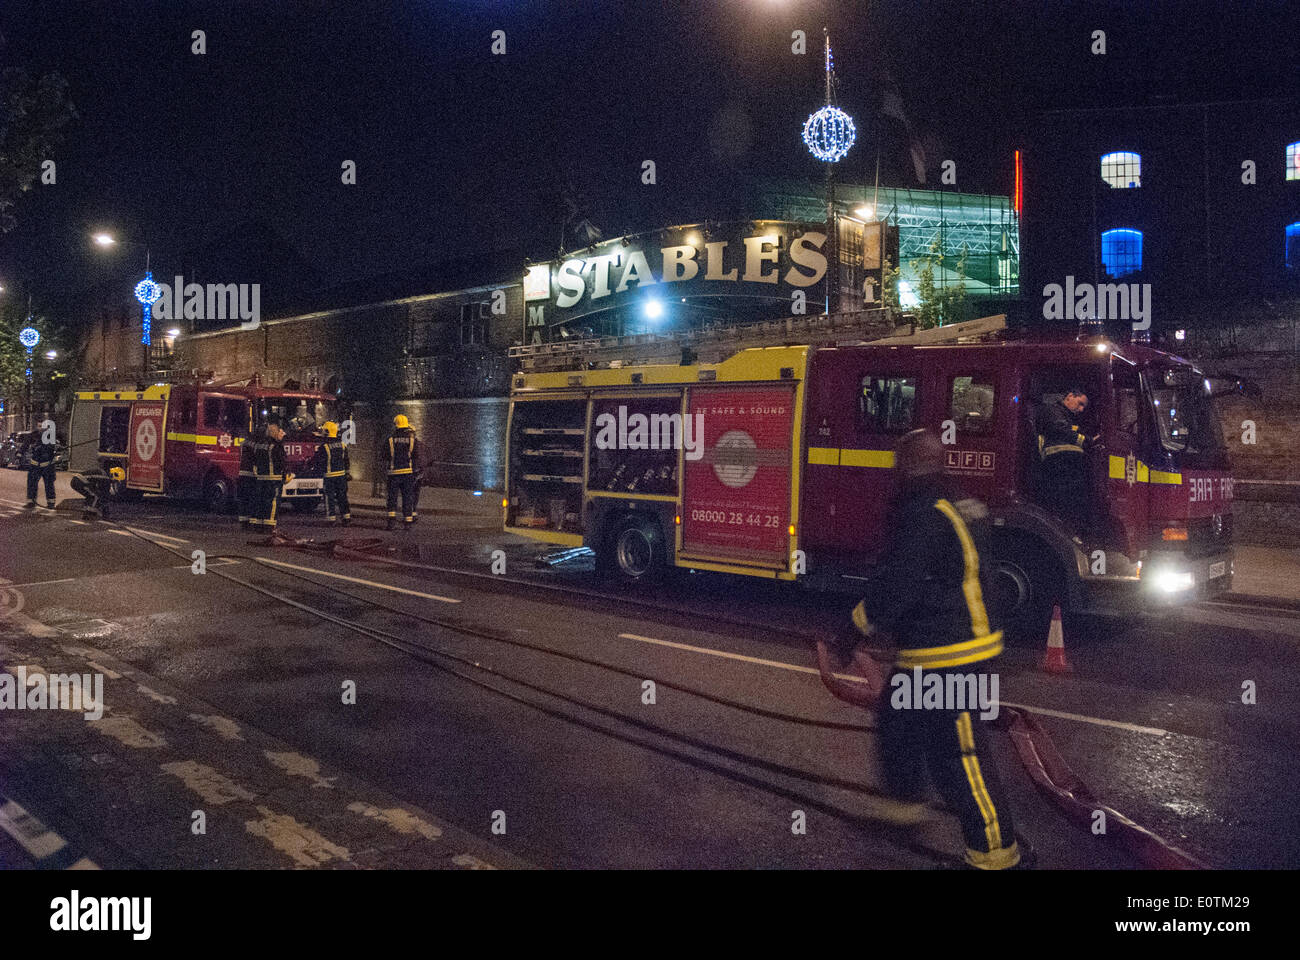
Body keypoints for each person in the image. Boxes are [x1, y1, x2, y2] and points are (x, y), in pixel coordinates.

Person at [828, 428, 1025, 871]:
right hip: (941, 651)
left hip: (951, 658)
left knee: (959, 755)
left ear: (908, 464)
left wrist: (852, 631)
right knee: (898, 725)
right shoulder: (959, 501)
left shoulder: (921, 511)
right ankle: (903, 813)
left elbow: (898, 585)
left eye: (898, 463)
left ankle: (996, 855)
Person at [1035, 386, 1096, 541]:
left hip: (1068, 465)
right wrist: (1086, 440)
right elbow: (1060, 430)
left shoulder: (1067, 417)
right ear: (1069, 396)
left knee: (1074, 501)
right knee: (1064, 502)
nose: (1081, 409)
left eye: (1084, 406)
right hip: (1058, 464)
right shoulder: (1053, 411)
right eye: (1080, 403)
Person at [250, 417, 291, 532]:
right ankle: (270, 525)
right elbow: (281, 461)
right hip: (274, 478)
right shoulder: (276, 446)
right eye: (279, 432)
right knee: (272, 502)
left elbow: (254, 460)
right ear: (275, 433)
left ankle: (258, 525)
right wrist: (286, 474)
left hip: (261, 478)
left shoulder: (259, 445)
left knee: (260, 501)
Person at [382, 414, 420, 531]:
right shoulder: (412, 440)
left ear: (395, 425)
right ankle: (407, 522)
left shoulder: (390, 440)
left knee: (392, 498)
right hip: (407, 474)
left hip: (393, 474)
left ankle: (391, 523)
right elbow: (415, 456)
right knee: (407, 497)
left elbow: (384, 456)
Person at [313, 421, 351, 525]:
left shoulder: (324, 447)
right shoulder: (343, 445)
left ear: (327, 432)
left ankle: (331, 519)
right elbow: (346, 460)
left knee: (329, 498)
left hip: (329, 477)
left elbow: (318, 462)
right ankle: (346, 518)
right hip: (341, 476)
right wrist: (347, 473)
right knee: (342, 497)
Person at [24, 430, 58, 509]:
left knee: (49, 484)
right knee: (32, 484)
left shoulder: (49, 437)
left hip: (48, 466)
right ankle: (31, 501)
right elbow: (25, 446)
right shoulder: (31, 436)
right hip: (35, 465)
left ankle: (51, 503)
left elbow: (51, 449)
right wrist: (19, 454)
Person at [237, 427, 258, 531]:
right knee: (251, 500)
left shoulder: (244, 444)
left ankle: (244, 523)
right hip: (250, 475)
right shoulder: (254, 445)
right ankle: (251, 523)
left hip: (242, 474)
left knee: (244, 500)